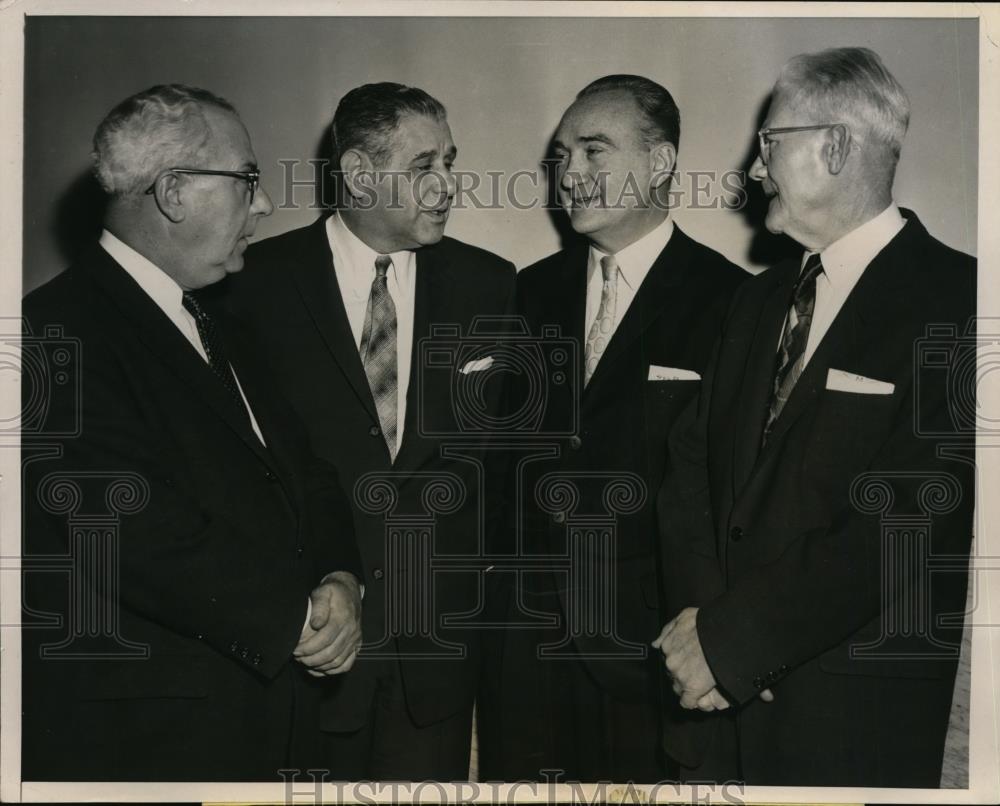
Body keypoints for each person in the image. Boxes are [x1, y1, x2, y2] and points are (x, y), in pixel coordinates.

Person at [20, 85, 364, 782]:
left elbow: (306, 472)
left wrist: (341, 577)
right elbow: (130, 527)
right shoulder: (52, 331)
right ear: (174, 192)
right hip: (152, 740)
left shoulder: (223, 321)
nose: (264, 205)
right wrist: (296, 619)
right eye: (247, 180)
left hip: (266, 720)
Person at [653, 47, 976, 787]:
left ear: (834, 147)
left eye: (770, 143)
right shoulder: (754, 301)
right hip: (712, 720)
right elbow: (689, 470)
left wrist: (739, 641)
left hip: (846, 729)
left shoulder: (961, 302)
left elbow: (905, 520)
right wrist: (707, 638)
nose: (754, 170)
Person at [218, 82, 516, 781]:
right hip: (310, 652)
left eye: (450, 162)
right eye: (424, 166)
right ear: (357, 173)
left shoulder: (489, 283)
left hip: (434, 662)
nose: (447, 185)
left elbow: (495, 469)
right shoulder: (251, 286)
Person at [478, 74, 745, 783]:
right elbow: (497, 459)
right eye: (563, 155)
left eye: (594, 151)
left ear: (661, 162)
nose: (571, 174)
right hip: (524, 649)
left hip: (649, 656)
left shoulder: (733, 302)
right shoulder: (528, 291)